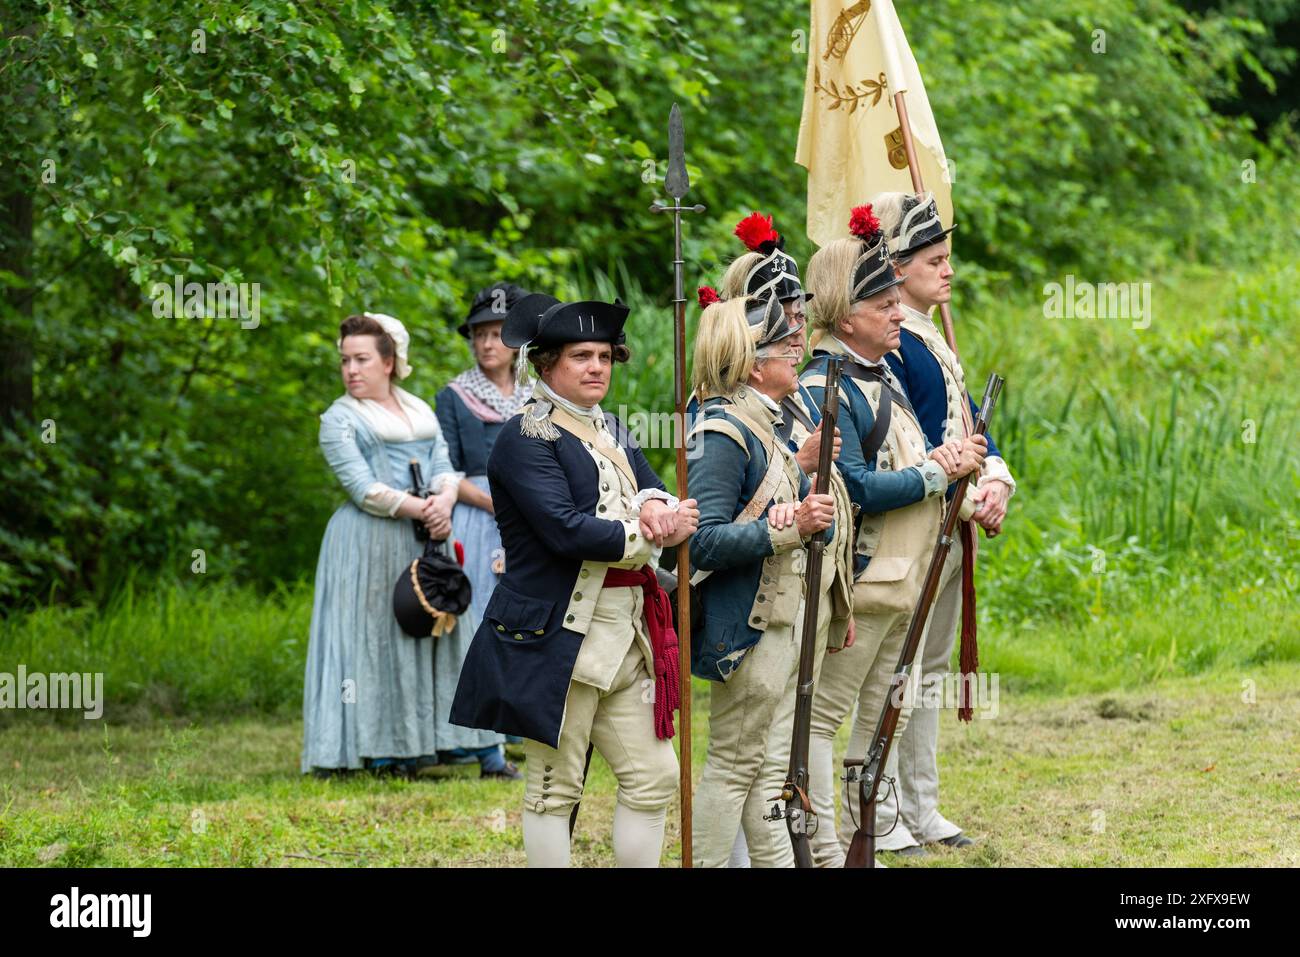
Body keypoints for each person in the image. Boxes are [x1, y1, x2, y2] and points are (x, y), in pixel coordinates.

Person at [449, 295, 699, 867]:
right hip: (557, 637)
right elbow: (566, 531)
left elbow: (649, 483)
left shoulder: (607, 425)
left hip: (625, 636)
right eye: (581, 356)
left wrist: (660, 505)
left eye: (605, 356)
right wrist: (651, 534)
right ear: (545, 366)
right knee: (553, 790)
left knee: (655, 777)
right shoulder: (525, 437)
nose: (596, 367)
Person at [800, 205, 986, 866]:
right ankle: (826, 847)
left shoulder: (879, 375)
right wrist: (936, 474)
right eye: (882, 303)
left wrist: (969, 467)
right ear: (847, 315)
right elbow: (855, 483)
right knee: (826, 719)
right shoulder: (831, 383)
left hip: (901, 576)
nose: (896, 314)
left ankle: (866, 832)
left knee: (887, 714)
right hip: (869, 576)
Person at [872, 191, 1018, 849]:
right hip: (914, 522)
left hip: (952, 517)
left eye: (947, 257)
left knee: (926, 674)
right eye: (934, 259)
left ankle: (921, 805)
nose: (948, 270)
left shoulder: (925, 334)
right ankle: (880, 812)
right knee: (894, 674)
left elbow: (965, 431)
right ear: (896, 267)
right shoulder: (891, 336)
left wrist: (993, 482)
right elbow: (911, 441)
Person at [715, 212, 855, 868]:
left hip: (801, 594)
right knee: (741, 762)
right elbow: (716, 527)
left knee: (770, 758)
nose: (796, 324)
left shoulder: (781, 395)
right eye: (782, 314)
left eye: (797, 310)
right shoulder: (724, 414)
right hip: (758, 605)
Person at [686, 292, 836, 867]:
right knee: (732, 766)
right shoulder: (725, 431)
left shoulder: (759, 423)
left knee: (764, 768)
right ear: (753, 365)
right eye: (784, 345)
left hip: (774, 618)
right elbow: (701, 541)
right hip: (746, 624)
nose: (798, 349)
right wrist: (788, 528)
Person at [302, 312, 478, 776]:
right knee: (375, 637)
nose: (351, 370)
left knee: (432, 633)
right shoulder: (339, 419)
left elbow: (444, 463)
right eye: (345, 361)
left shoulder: (419, 408)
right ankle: (380, 747)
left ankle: (436, 742)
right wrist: (428, 510)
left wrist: (445, 498)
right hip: (369, 540)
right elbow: (364, 489)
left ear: (389, 362)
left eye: (361, 359)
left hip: (425, 537)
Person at [434, 282, 539, 780]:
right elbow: (446, 470)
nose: (487, 343)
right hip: (478, 520)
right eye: (479, 335)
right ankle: (485, 748)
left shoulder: (537, 395)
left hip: (533, 520)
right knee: (479, 623)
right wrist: (497, 502)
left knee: (530, 618)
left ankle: (521, 726)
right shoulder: (453, 397)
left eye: (498, 333)